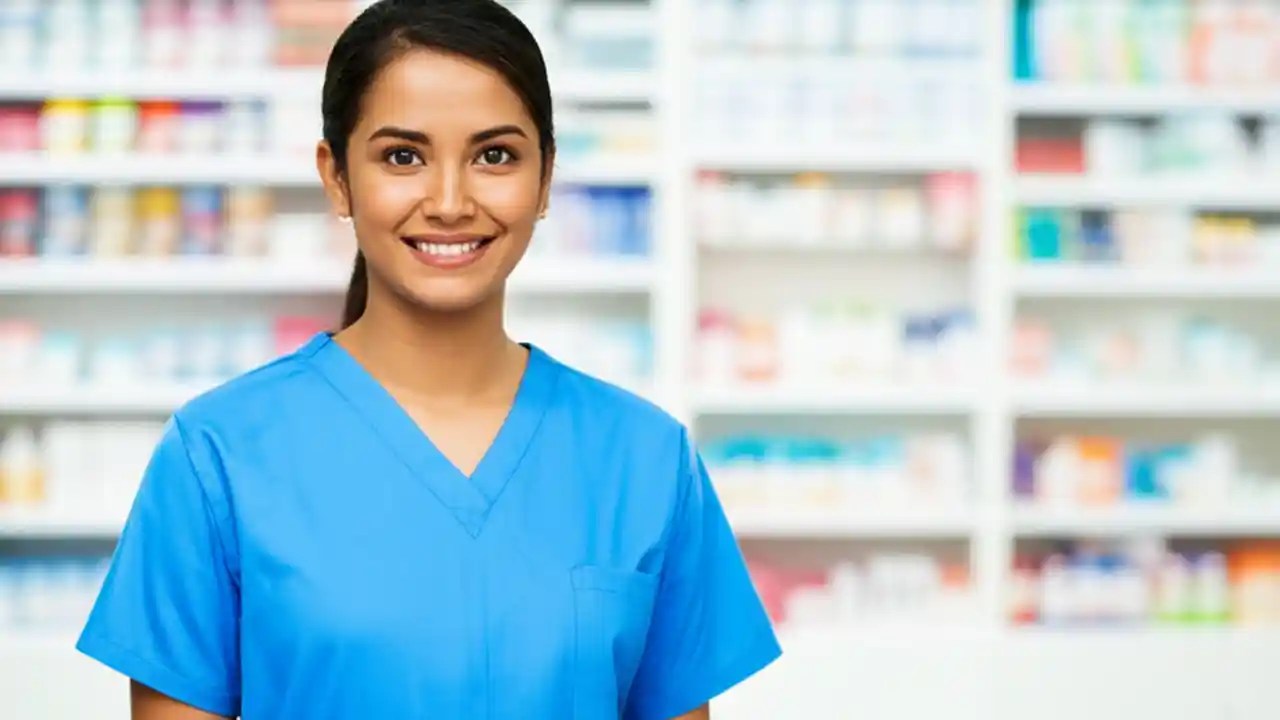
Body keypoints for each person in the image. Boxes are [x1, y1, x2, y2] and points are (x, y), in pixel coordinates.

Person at [76, 1, 781, 718]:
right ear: (337, 176)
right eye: (402, 156)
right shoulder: (219, 454)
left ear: (545, 179)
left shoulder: (645, 459)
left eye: (495, 156)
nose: (449, 201)